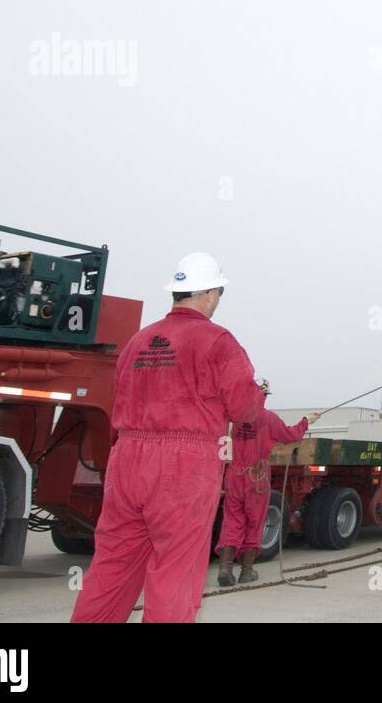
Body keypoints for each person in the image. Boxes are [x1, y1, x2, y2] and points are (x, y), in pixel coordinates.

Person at [70, 253, 264, 623]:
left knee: (111, 567)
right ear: (209, 292)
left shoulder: (138, 341)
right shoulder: (217, 341)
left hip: (127, 457)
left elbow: (121, 397)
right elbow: (242, 407)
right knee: (175, 571)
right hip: (183, 466)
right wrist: (258, 394)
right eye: (218, 293)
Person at [216, 380, 318, 586]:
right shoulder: (268, 419)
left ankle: (225, 569)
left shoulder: (235, 418)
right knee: (254, 522)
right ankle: (246, 571)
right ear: (263, 396)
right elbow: (291, 435)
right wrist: (307, 421)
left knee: (232, 522)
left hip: (234, 475)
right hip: (257, 477)